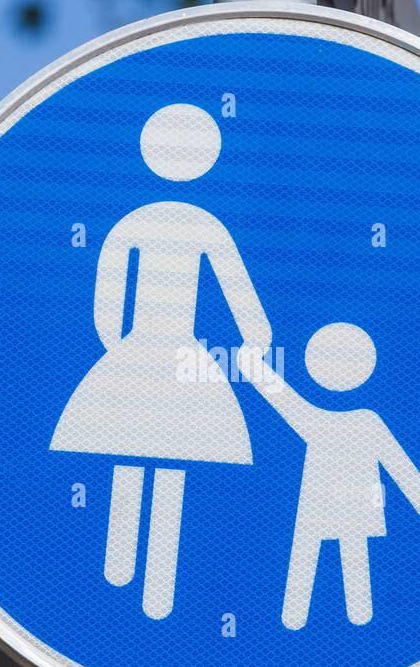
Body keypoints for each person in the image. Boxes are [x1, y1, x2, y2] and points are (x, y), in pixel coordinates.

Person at [51, 103, 270, 620]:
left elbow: (107, 299)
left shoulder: (137, 221)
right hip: (177, 356)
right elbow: (242, 298)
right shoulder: (201, 224)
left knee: (137, 453)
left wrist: (118, 350)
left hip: (138, 351)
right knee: (171, 460)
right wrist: (255, 338)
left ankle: (127, 575)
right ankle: (148, 590)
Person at [238, 323, 420, 629]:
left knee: (324, 556)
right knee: (338, 555)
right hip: (339, 506)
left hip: (330, 505)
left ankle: (302, 620)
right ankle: (329, 619)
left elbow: (284, 399)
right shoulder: (361, 421)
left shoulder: (328, 422)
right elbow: (399, 464)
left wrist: (250, 365)